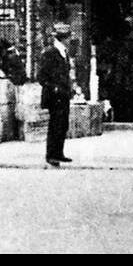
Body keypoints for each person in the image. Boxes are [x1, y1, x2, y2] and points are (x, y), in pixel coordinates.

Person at [40, 23, 73, 167]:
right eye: (68, 37)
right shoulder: (50, 52)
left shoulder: (63, 52)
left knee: (62, 124)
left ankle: (59, 152)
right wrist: (54, 88)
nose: (70, 40)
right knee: (55, 124)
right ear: (64, 38)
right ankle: (51, 154)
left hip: (64, 93)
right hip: (55, 95)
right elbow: (41, 76)